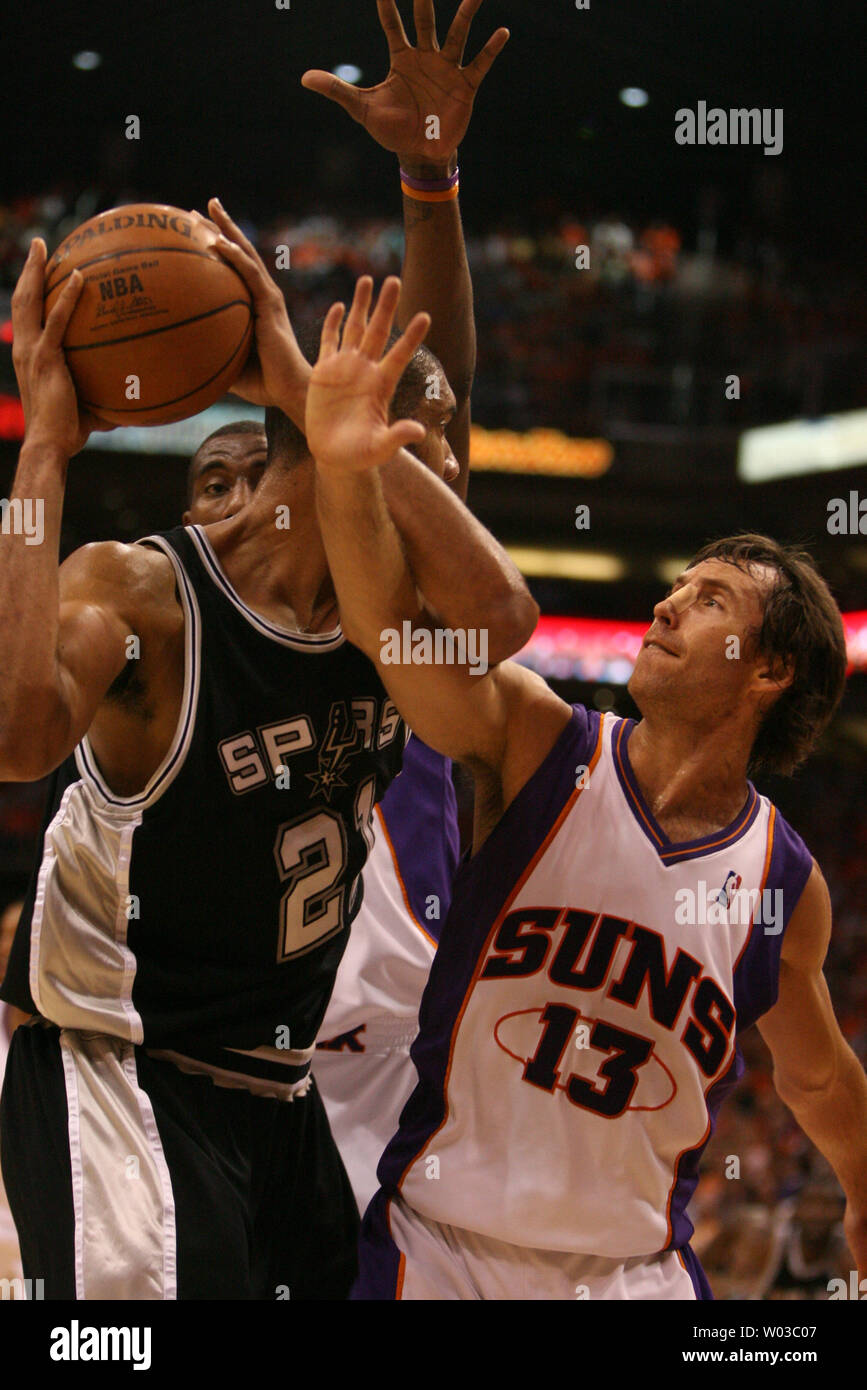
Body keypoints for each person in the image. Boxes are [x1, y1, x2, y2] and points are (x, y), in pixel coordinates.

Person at [0, 203, 536, 1300]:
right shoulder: (143, 593)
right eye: (420, 474)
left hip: (280, 1102)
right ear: (338, 457)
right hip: (121, 1069)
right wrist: (44, 452)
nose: (438, 505)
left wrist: (426, 187)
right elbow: (17, 740)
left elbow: (503, 616)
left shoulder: (391, 622)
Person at [302, 325, 867, 1298]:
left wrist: (861, 1190)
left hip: (631, 1274)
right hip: (438, 1246)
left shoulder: (783, 880)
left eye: (710, 600)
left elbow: (817, 1081)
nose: (666, 606)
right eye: (676, 585)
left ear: (768, 670)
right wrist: (349, 471)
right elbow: (395, 638)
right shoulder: (536, 739)